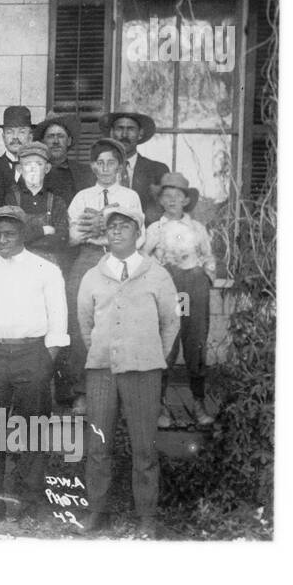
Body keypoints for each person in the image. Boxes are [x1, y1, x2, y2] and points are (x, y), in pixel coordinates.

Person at [77, 203, 180, 539]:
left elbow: (170, 322)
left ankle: (146, 517)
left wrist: (150, 356)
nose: (117, 231)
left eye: (124, 225)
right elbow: (85, 324)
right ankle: (97, 512)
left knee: (144, 448)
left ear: (139, 233)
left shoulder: (157, 274)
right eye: (111, 227)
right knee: (98, 445)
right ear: (104, 235)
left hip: (144, 371)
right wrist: (104, 351)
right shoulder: (93, 275)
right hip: (102, 371)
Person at [0, 206, 69, 526]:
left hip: (32, 354)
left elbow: (58, 317)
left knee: (32, 431)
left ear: (22, 235)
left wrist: (47, 355)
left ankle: (30, 503)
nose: (2, 241)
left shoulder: (45, 270)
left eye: (9, 234)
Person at [63, 137, 141, 410]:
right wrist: (89, 229)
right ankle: (82, 390)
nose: (106, 168)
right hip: (87, 256)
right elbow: (71, 237)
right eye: (100, 163)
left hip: (119, 259)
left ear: (119, 167)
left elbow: (138, 237)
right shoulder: (82, 197)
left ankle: (120, 390)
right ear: (93, 166)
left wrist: (106, 225)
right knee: (79, 317)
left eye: (111, 163)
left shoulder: (130, 197)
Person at [143, 172, 216, 427]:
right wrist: (160, 274)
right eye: (167, 196)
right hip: (170, 288)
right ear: (161, 201)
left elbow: (209, 257)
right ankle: (160, 404)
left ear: (186, 200)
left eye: (178, 196)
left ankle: (197, 402)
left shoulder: (197, 228)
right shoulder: (155, 228)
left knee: (195, 342)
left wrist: (204, 278)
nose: (172, 200)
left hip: (193, 288)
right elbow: (142, 257)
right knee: (169, 342)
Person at [0, 141, 69, 268]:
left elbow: (62, 239)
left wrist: (27, 237)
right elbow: (10, 238)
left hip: (48, 267)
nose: (33, 169)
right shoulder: (11, 199)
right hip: (17, 267)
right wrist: (43, 230)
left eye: (39, 164)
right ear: (20, 169)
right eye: (28, 164)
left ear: (47, 168)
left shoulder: (57, 201)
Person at [99, 106, 169, 223]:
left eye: (131, 129)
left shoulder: (157, 170)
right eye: (120, 128)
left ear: (140, 134)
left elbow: (164, 211)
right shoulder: (98, 170)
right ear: (112, 133)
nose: (124, 134)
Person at [32, 114, 91, 205]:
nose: (56, 141)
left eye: (60, 136)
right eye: (50, 136)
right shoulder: (33, 172)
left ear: (69, 141)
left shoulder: (85, 172)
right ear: (43, 142)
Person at [0, 106, 36, 211]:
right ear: (3, 137)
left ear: (30, 137)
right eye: (10, 132)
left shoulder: (38, 169)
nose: (15, 137)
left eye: (21, 132)